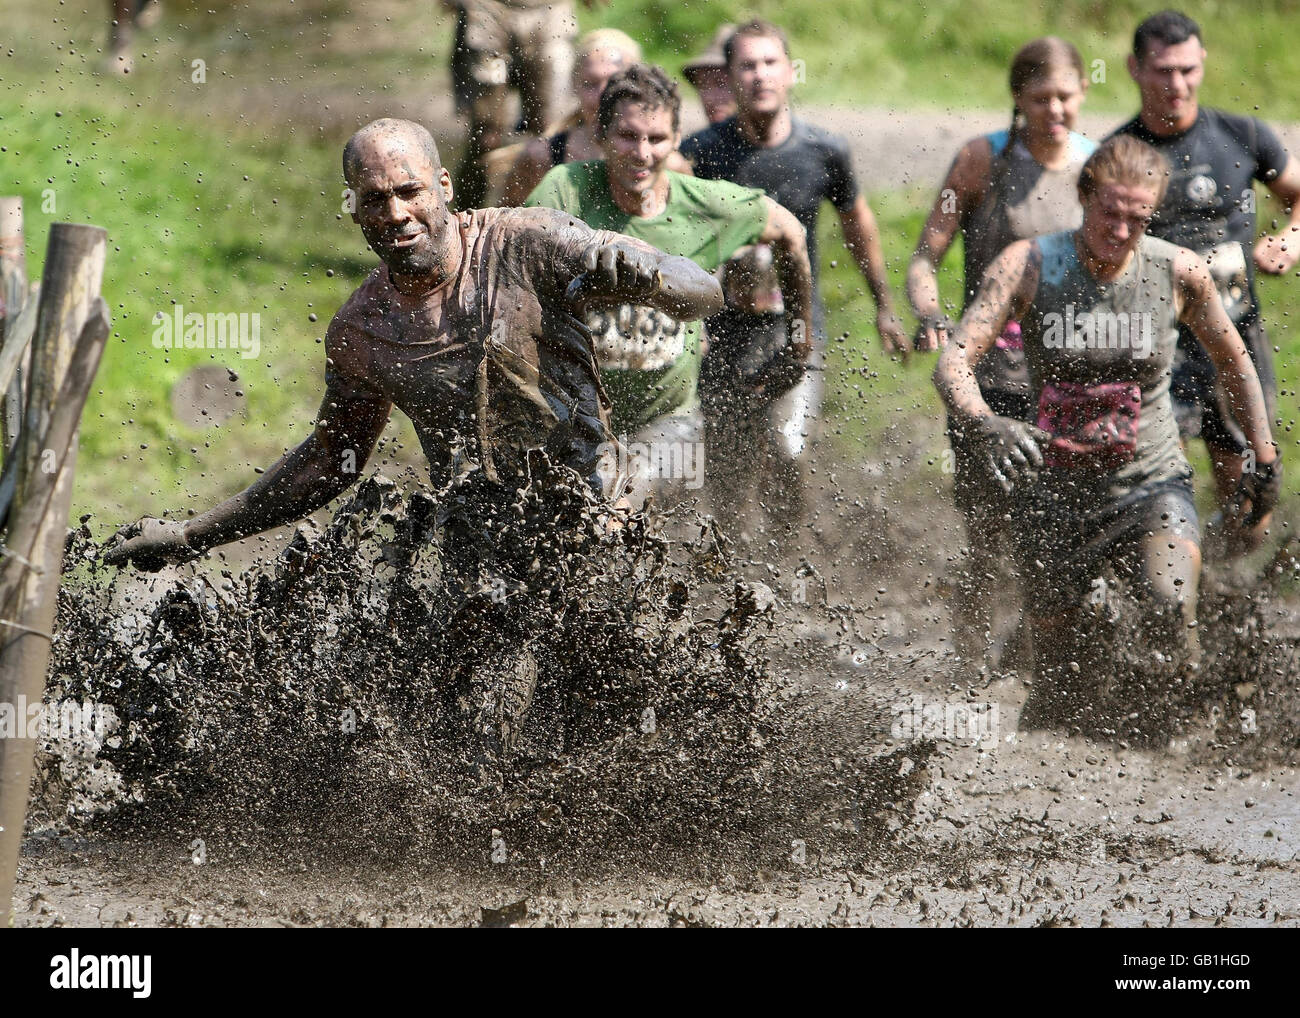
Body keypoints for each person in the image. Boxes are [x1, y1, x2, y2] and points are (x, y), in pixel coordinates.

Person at [105, 118, 724, 768]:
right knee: (470, 743)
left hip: (594, 519)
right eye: (375, 199)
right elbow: (327, 462)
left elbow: (701, 290)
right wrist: (190, 537)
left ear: (444, 186)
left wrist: (649, 276)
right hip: (478, 549)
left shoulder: (527, 243)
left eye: (409, 191)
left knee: (608, 726)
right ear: (353, 208)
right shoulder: (361, 331)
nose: (396, 213)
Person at [933, 135, 1281, 741]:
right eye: (1109, 213)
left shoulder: (1179, 272)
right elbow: (954, 360)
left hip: (1149, 482)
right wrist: (985, 421)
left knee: (1168, 607)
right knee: (1064, 679)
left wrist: (1264, 453)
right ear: (1085, 197)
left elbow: (1235, 362)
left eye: (1137, 218)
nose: (1120, 231)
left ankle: (1175, 733)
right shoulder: (1030, 263)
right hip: (1053, 494)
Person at [524, 65, 813, 511]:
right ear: (600, 134)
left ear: (677, 139)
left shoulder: (704, 205)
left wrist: (799, 341)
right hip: (569, 417)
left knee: (615, 501)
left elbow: (791, 234)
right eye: (627, 136)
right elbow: (507, 256)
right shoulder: (565, 192)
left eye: (656, 138)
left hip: (667, 422)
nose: (641, 153)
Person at [908, 37, 1096, 669]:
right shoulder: (980, 160)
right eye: (1041, 98)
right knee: (988, 530)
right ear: (1018, 98)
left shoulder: (1099, 169)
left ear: (1084, 94)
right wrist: (930, 311)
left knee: (1059, 527)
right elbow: (924, 257)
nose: (1055, 110)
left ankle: (1036, 653)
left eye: (1066, 96)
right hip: (987, 376)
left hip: (1072, 376)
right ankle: (969, 657)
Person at [680, 19, 906, 528]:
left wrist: (886, 307)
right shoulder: (699, 153)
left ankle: (786, 561)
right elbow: (675, 236)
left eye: (769, 63)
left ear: (789, 71)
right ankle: (731, 565)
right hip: (722, 330)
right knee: (727, 465)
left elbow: (859, 229)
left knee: (786, 445)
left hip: (797, 329)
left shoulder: (825, 152)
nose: (760, 75)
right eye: (747, 65)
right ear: (731, 78)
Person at [1110, 10, 1300, 552]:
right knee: (1145, 489)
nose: (1177, 84)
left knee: (1251, 502)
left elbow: (1297, 195)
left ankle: (1221, 581)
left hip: (1236, 340)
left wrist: (1290, 238)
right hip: (1153, 346)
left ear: (1203, 64)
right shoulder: (1121, 155)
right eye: (1163, 71)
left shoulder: (1242, 136)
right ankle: (1166, 579)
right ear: (1134, 69)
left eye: (1188, 70)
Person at [447, 0, 593, 210]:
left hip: (551, 10)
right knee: (486, 139)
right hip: (486, 8)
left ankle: (557, 223)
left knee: (554, 131)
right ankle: (464, 223)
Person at [498, 29, 647, 207]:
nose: (602, 97)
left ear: (638, 88)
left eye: (615, 83)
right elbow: (506, 229)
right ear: (574, 85)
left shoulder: (663, 162)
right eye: (591, 84)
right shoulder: (540, 157)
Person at [682, 25, 738, 126]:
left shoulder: (771, 140)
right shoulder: (697, 140)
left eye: (721, 84)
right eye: (703, 85)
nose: (709, 98)